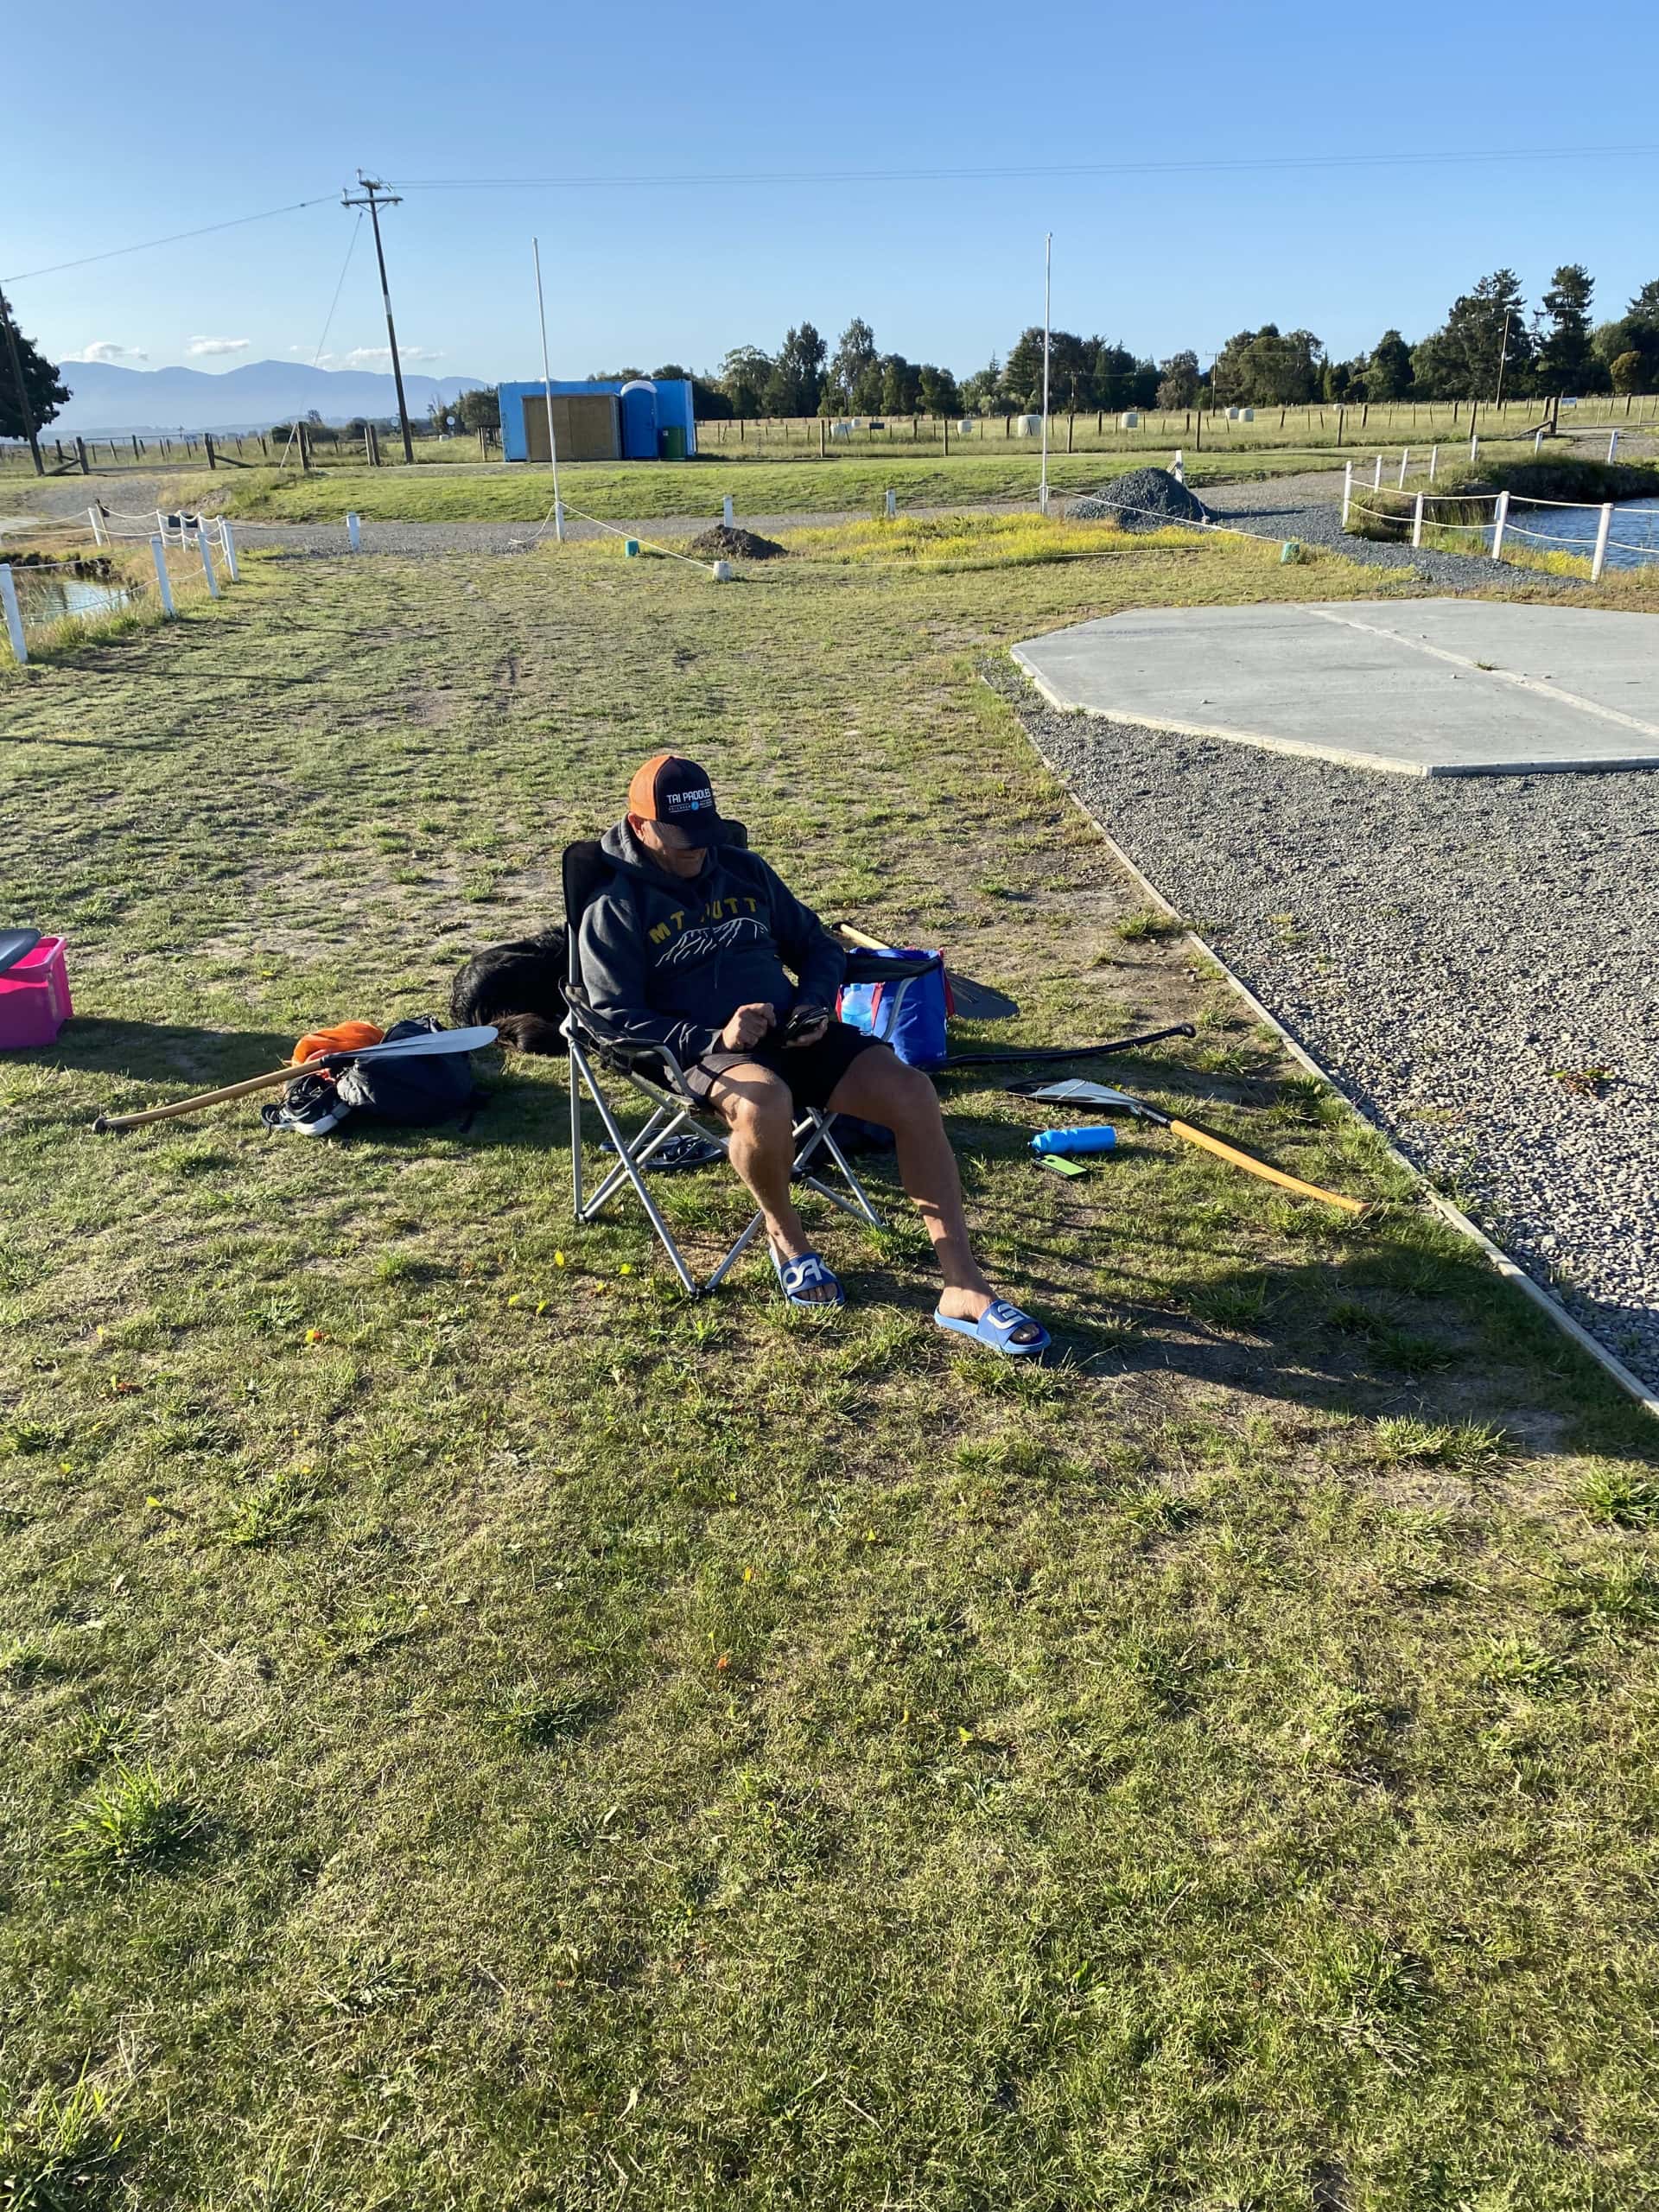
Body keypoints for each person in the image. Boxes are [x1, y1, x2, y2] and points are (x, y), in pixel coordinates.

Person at [576, 752, 1048, 1356]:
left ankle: (964, 1285)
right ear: (639, 827)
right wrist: (715, 1036)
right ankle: (788, 1240)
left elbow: (817, 943)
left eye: (706, 834)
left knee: (912, 1091)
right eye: (679, 838)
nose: (697, 850)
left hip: (794, 1032)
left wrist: (815, 1004)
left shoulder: (743, 870)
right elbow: (613, 1017)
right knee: (766, 1101)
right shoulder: (614, 907)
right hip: (698, 1052)